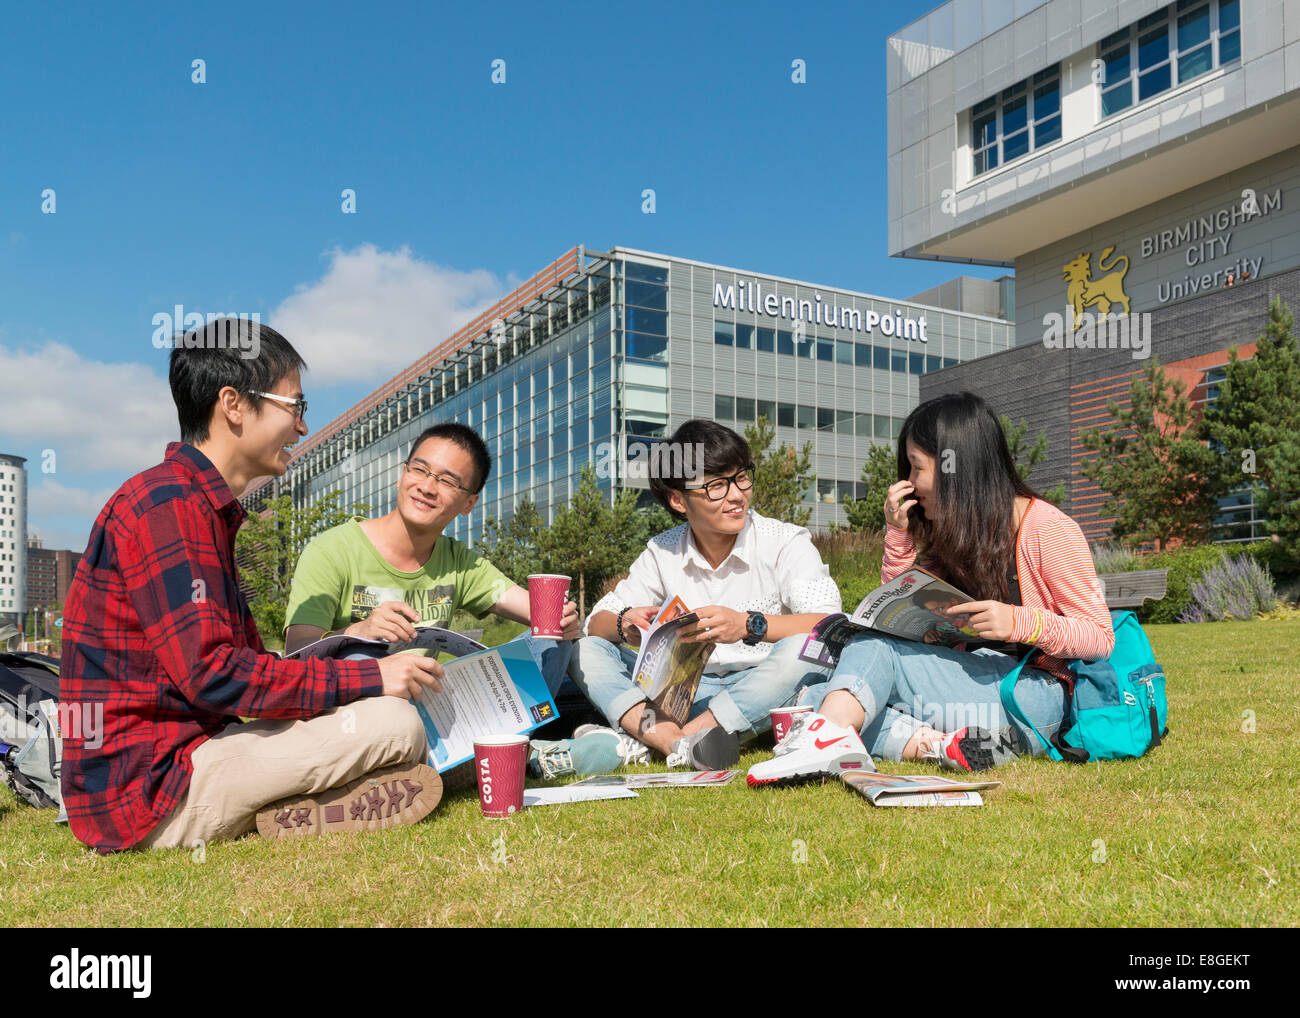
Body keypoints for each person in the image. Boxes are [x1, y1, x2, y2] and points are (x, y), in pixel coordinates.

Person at [61, 320, 446, 853]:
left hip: (179, 757)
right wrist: (368, 676)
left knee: (384, 717)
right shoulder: (169, 507)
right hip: (153, 789)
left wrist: (349, 661)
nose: (303, 427)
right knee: (396, 725)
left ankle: (306, 805)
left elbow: (234, 669)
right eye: (295, 406)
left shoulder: (194, 505)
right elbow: (213, 676)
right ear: (234, 405)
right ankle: (316, 802)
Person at [747, 392, 1114, 785]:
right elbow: (894, 610)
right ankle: (941, 745)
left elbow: (1098, 637)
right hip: (970, 688)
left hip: (1033, 696)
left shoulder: (1048, 528)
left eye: (916, 467)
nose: (908, 482)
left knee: (861, 667)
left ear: (957, 469)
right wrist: (898, 533)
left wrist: (1020, 623)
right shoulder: (959, 533)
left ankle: (822, 744)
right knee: (821, 697)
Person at [282, 422, 618, 779]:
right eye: (420, 470)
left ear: (469, 503)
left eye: (447, 481)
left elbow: (535, 611)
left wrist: (563, 620)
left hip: (432, 710)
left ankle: (479, 758)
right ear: (402, 475)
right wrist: (359, 629)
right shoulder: (331, 550)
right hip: (359, 712)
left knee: (550, 639)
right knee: (361, 653)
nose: (427, 487)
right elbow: (295, 656)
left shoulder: (458, 561)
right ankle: (514, 760)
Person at [568, 419, 841, 770]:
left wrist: (748, 625)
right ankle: (677, 743)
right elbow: (597, 622)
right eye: (716, 486)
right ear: (678, 500)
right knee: (585, 649)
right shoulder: (661, 551)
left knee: (806, 649)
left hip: (759, 689)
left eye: (741, 477)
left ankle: (658, 740)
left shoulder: (784, 541)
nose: (736, 495)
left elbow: (831, 624)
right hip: (681, 693)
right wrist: (625, 625)